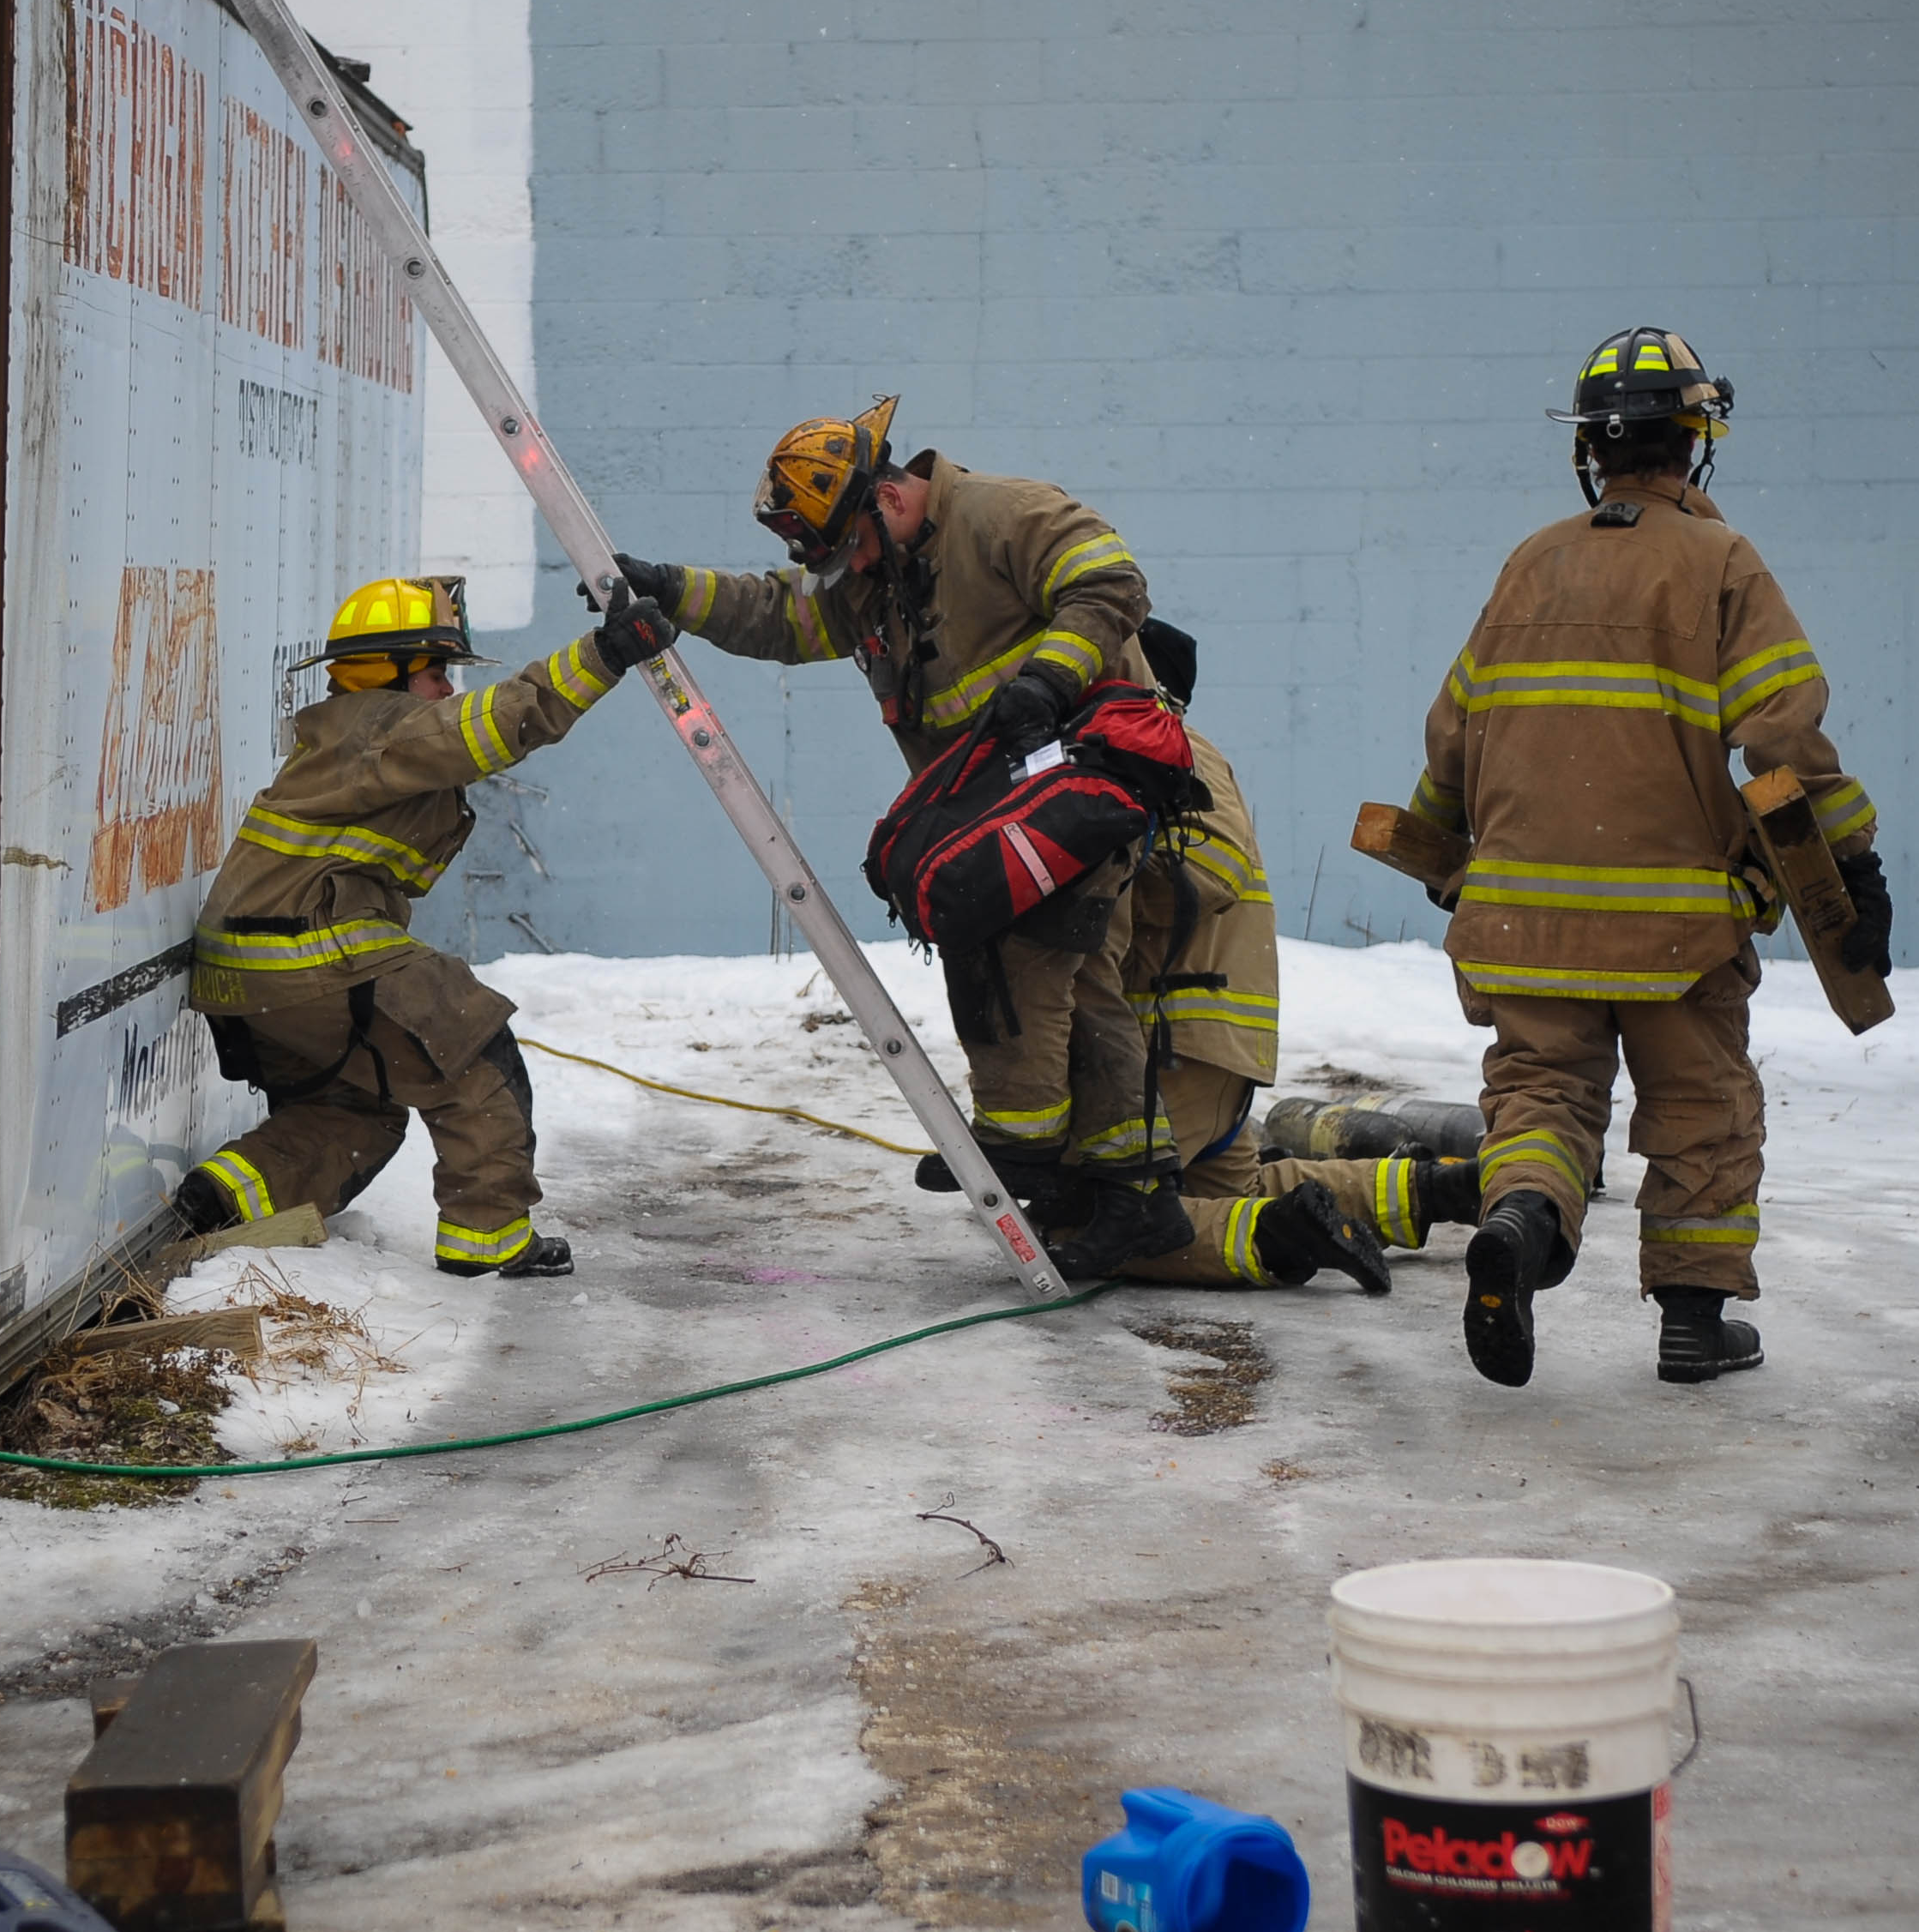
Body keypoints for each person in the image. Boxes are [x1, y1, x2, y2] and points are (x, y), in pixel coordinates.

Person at [1405, 328, 1892, 1387]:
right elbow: (1778, 741)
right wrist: (1851, 861)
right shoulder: (1720, 562)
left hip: (1522, 922)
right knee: (1701, 1109)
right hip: (1675, 926)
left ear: (1590, 451)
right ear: (1695, 442)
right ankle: (1691, 1319)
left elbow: (1453, 732)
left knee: (1540, 1097)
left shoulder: (1531, 562)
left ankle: (1525, 1224)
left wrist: (1444, 849)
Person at [611, 399, 1186, 1279]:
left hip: (1081, 777)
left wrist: (1048, 679)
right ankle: (1104, 1187)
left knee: (1043, 954)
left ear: (886, 495)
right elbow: (784, 614)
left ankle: (1094, 1179)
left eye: (848, 548)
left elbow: (1111, 583)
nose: (848, 572)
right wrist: (672, 588)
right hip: (999, 799)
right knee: (1065, 968)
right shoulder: (877, 574)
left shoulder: (1002, 514)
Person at [176, 573, 676, 1277]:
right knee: (468, 1054)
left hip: (246, 972)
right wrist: (605, 654)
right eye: (437, 671)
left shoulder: (347, 738)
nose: (447, 690)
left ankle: (221, 1198)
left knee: (354, 1113)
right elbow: (500, 722)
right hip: (311, 948)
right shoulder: (382, 727)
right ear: (391, 672)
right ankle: (490, 1237)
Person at [1104, 623, 1455, 1293]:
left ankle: (1283, 1237)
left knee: (1095, 1217)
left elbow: (1210, 872)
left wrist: (1100, 875)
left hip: (1177, 1039)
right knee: (1235, 1191)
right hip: (1202, 1037)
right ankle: (1438, 1191)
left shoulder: (1171, 756)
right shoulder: (1170, 753)